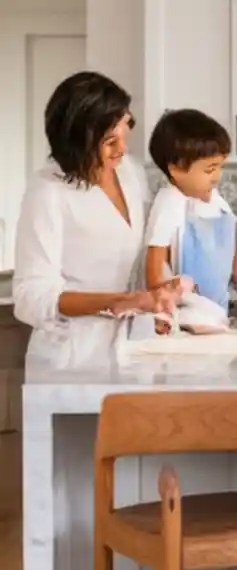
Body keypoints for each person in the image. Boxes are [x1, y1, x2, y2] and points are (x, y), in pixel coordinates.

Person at [13, 71, 184, 368]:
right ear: (77, 142)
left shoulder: (129, 172)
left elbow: (142, 250)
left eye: (125, 129)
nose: (122, 148)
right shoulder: (48, 193)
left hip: (135, 351)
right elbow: (31, 297)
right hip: (72, 359)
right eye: (109, 141)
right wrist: (120, 301)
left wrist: (163, 293)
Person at [143, 108, 237, 333]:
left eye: (220, 167)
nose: (217, 177)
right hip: (182, 328)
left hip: (218, 320)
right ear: (176, 168)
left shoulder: (218, 203)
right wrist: (177, 293)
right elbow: (154, 278)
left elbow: (236, 263)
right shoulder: (168, 204)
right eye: (209, 169)